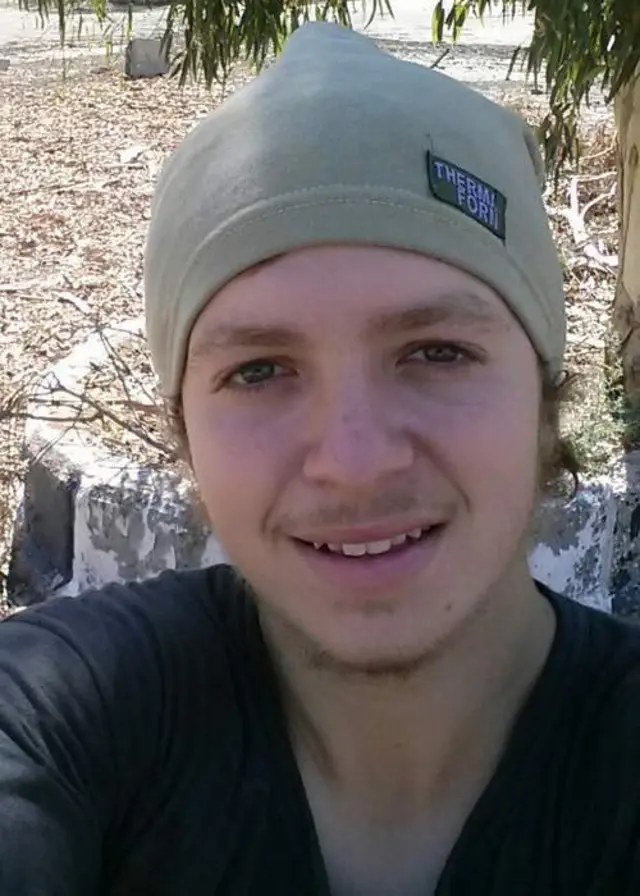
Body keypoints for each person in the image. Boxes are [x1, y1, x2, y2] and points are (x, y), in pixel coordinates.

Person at [0, 21, 639, 896]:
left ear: (544, 394)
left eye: (437, 351)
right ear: (186, 433)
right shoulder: (69, 713)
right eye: (259, 370)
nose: (354, 461)